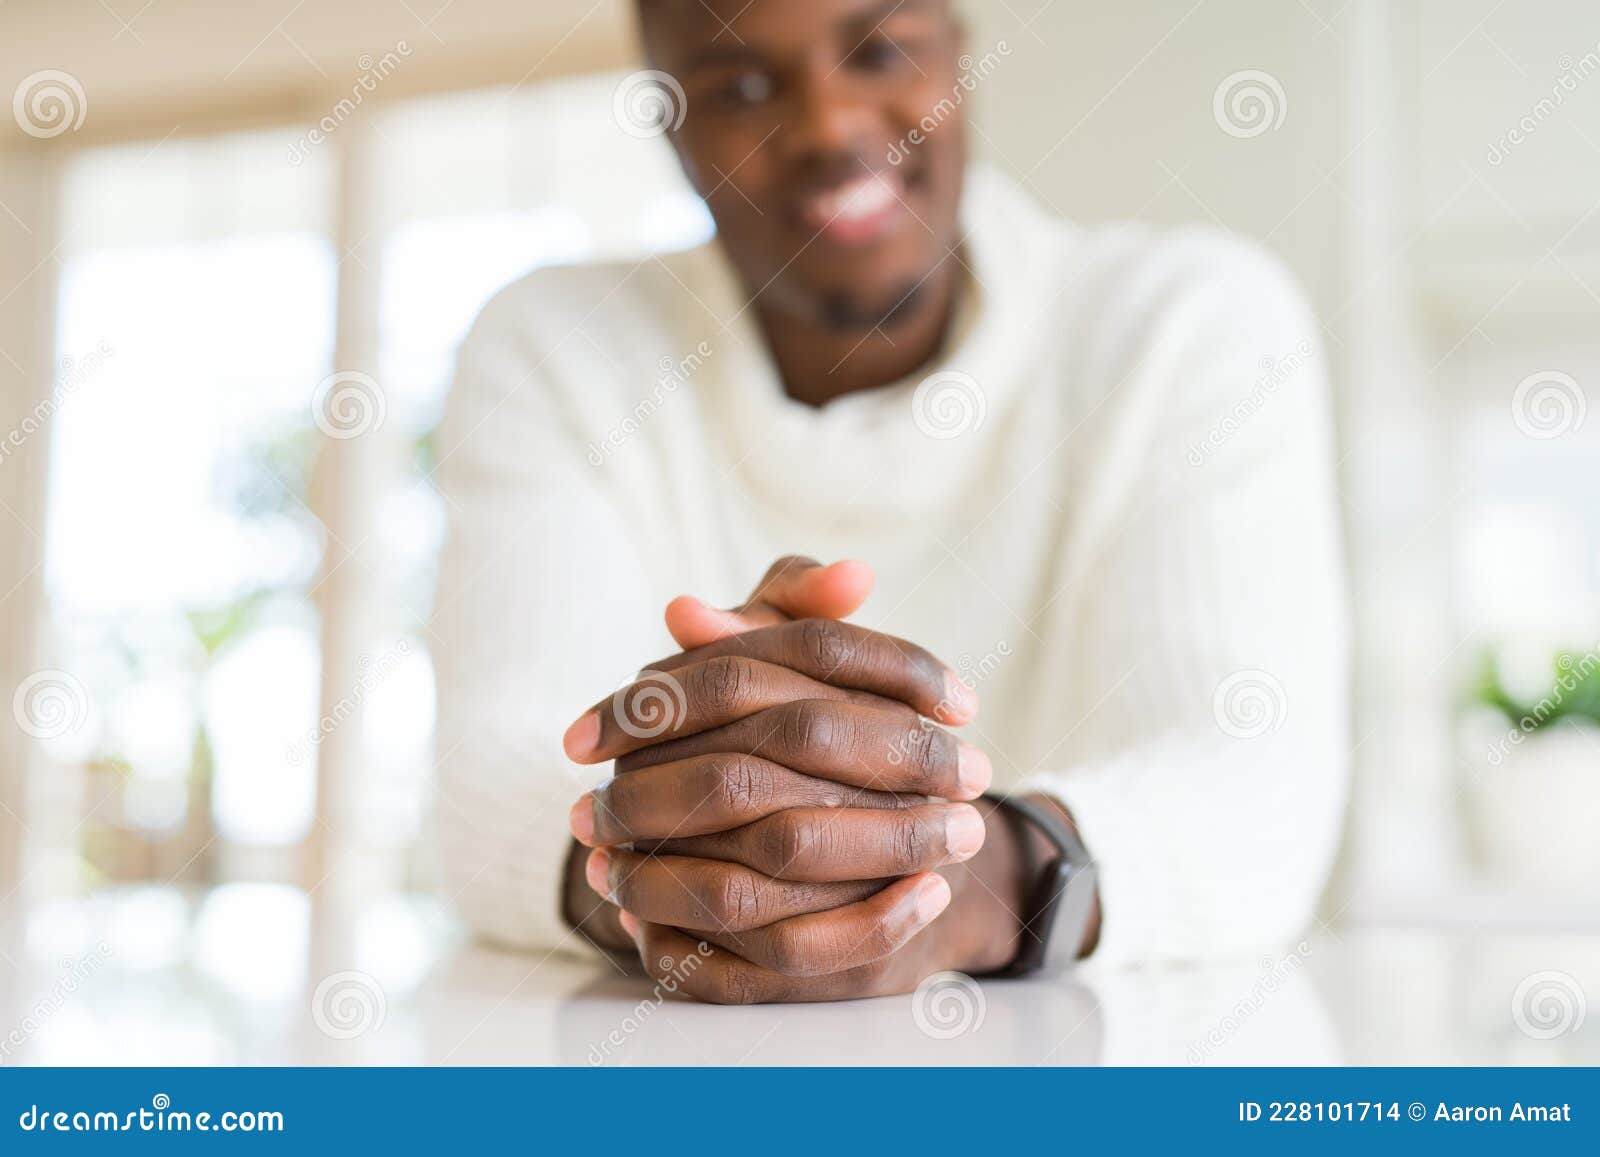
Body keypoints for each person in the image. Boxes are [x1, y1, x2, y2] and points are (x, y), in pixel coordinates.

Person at [431, 0, 1349, 1003]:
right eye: (739, 86)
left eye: (879, 50)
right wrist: (718, 858)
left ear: (958, 52)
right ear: (671, 123)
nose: (828, 126)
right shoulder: (557, 346)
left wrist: (956, 875)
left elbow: (1257, 789)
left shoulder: (1189, 326)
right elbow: (488, 790)